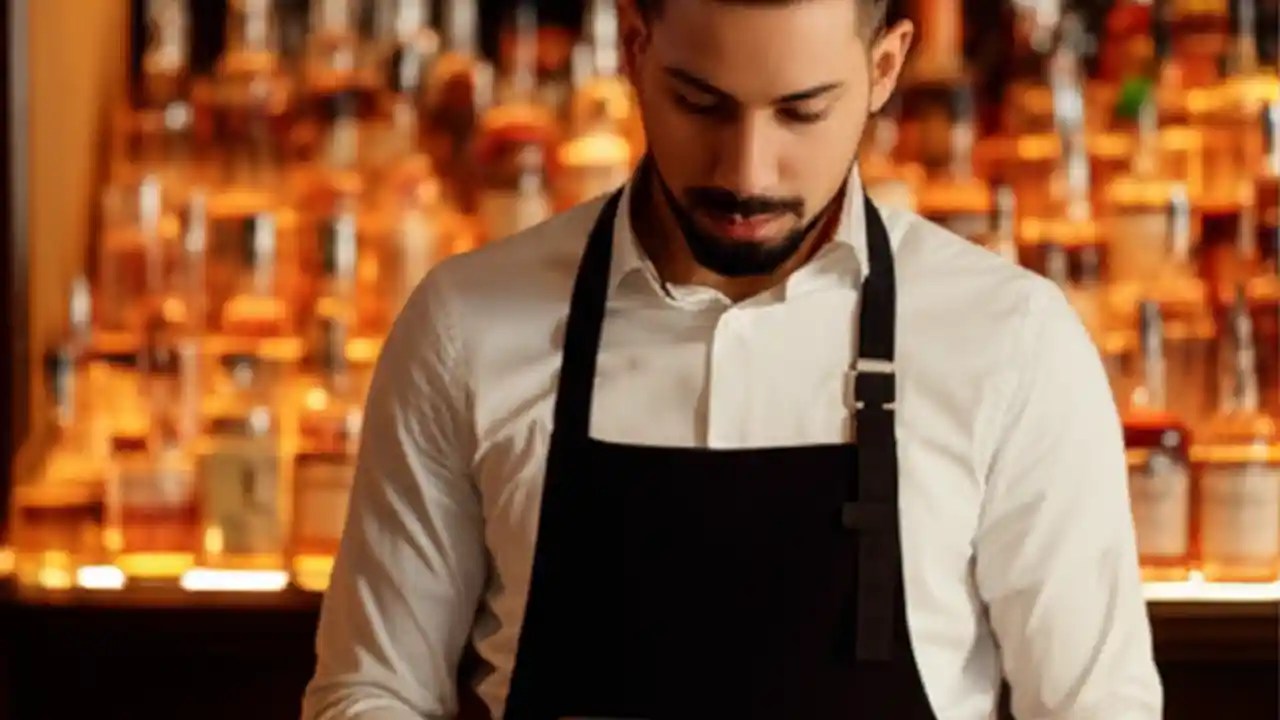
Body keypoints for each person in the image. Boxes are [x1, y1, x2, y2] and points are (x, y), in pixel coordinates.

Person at [302, 0, 1163, 718]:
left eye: (803, 111)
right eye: (701, 103)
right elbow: (373, 689)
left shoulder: (1011, 340)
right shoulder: (465, 327)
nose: (746, 172)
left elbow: (1097, 706)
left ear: (886, 67)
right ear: (635, 47)